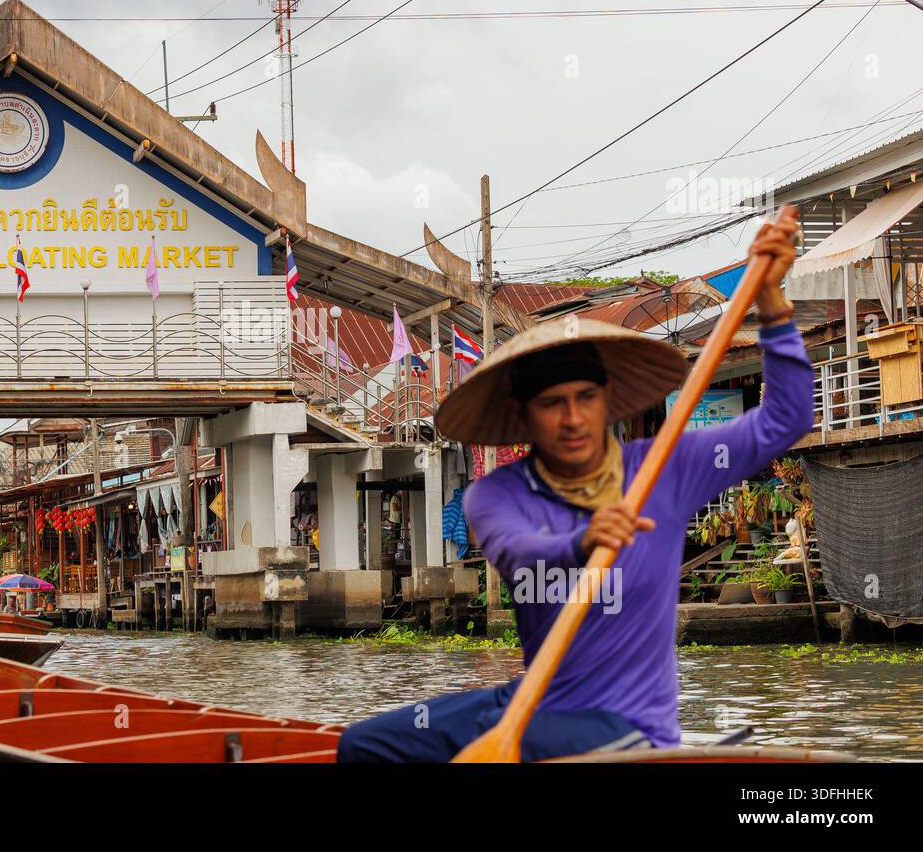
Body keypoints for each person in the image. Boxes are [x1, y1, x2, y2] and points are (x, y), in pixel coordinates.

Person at [338, 211, 811, 762]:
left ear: (607, 400)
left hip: (626, 724)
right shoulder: (494, 495)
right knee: (365, 744)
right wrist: (583, 542)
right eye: (551, 404)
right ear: (523, 417)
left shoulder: (664, 466)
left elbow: (786, 418)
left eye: (586, 398)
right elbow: (521, 553)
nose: (572, 419)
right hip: (533, 703)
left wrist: (773, 305)